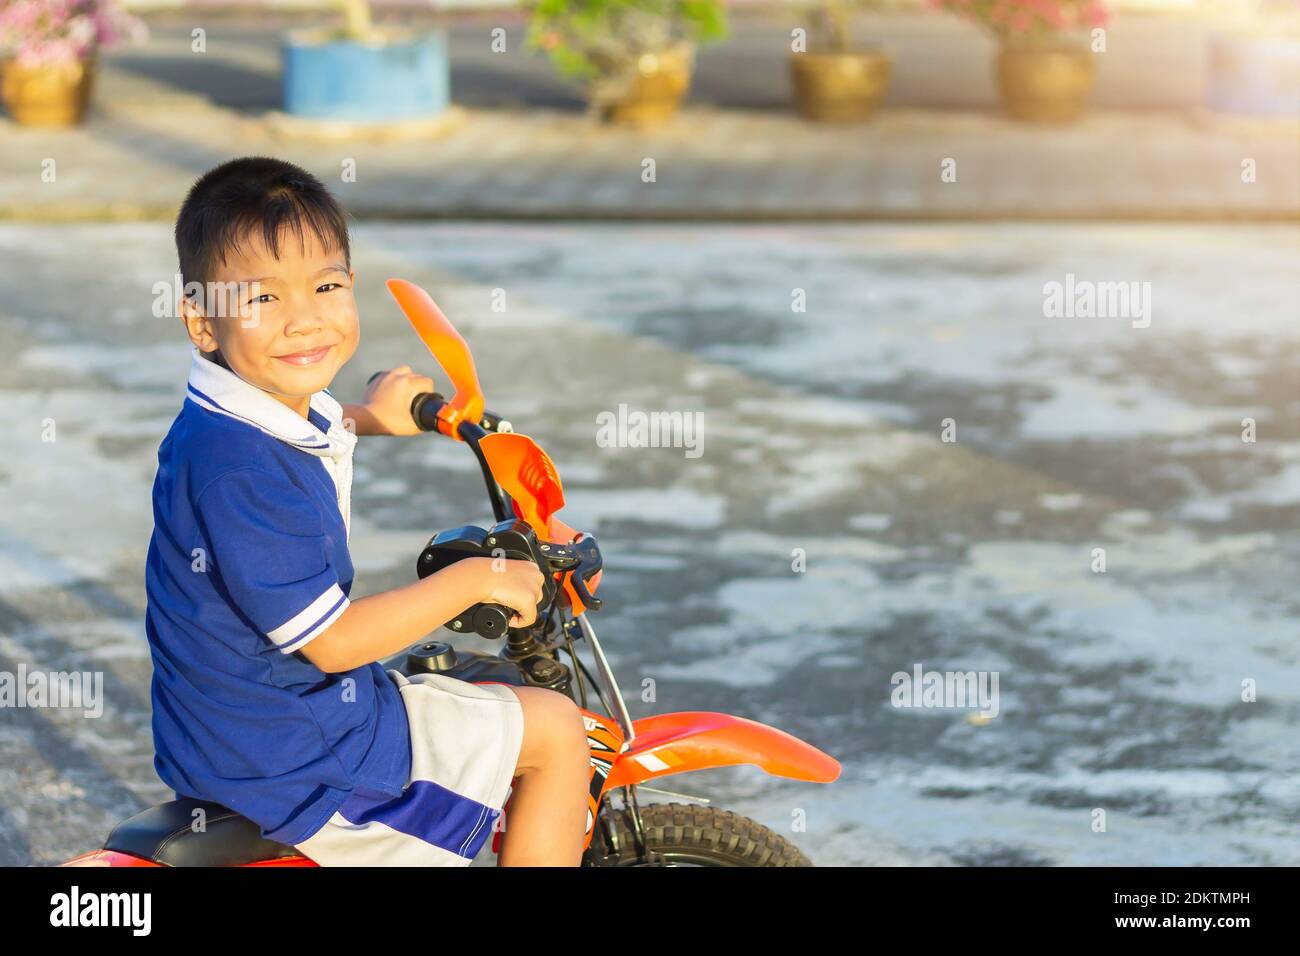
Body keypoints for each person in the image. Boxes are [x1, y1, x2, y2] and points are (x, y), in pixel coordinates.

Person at [143, 156, 590, 866]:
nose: (306, 319)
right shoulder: (239, 473)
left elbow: (301, 425)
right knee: (558, 731)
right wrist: (476, 579)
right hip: (295, 753)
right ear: (202, 322)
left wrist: (369, 418)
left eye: (326, 286)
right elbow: (335, 644)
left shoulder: (233, 415)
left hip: (229, 723)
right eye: (264, 299)